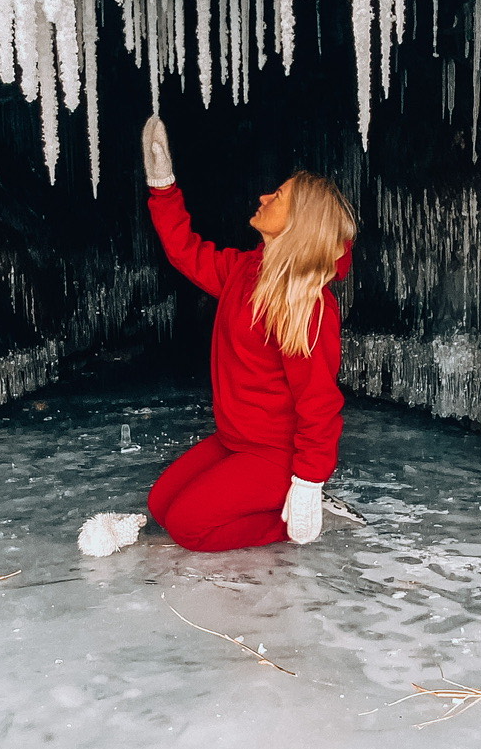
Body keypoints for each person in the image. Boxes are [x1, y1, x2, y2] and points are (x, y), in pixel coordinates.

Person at [140, 114, 355, 552]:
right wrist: (162, 184)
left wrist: (309, 483)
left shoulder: (307, 306)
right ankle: (269, 503)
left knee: (188, 528)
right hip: (234, 440)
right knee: (160, 504)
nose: (262, 196)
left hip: (275, 455)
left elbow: (319, 402)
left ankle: (295, 521)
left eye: (277, 196)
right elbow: (185, 251)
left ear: (298, 222)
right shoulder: (244, 270)